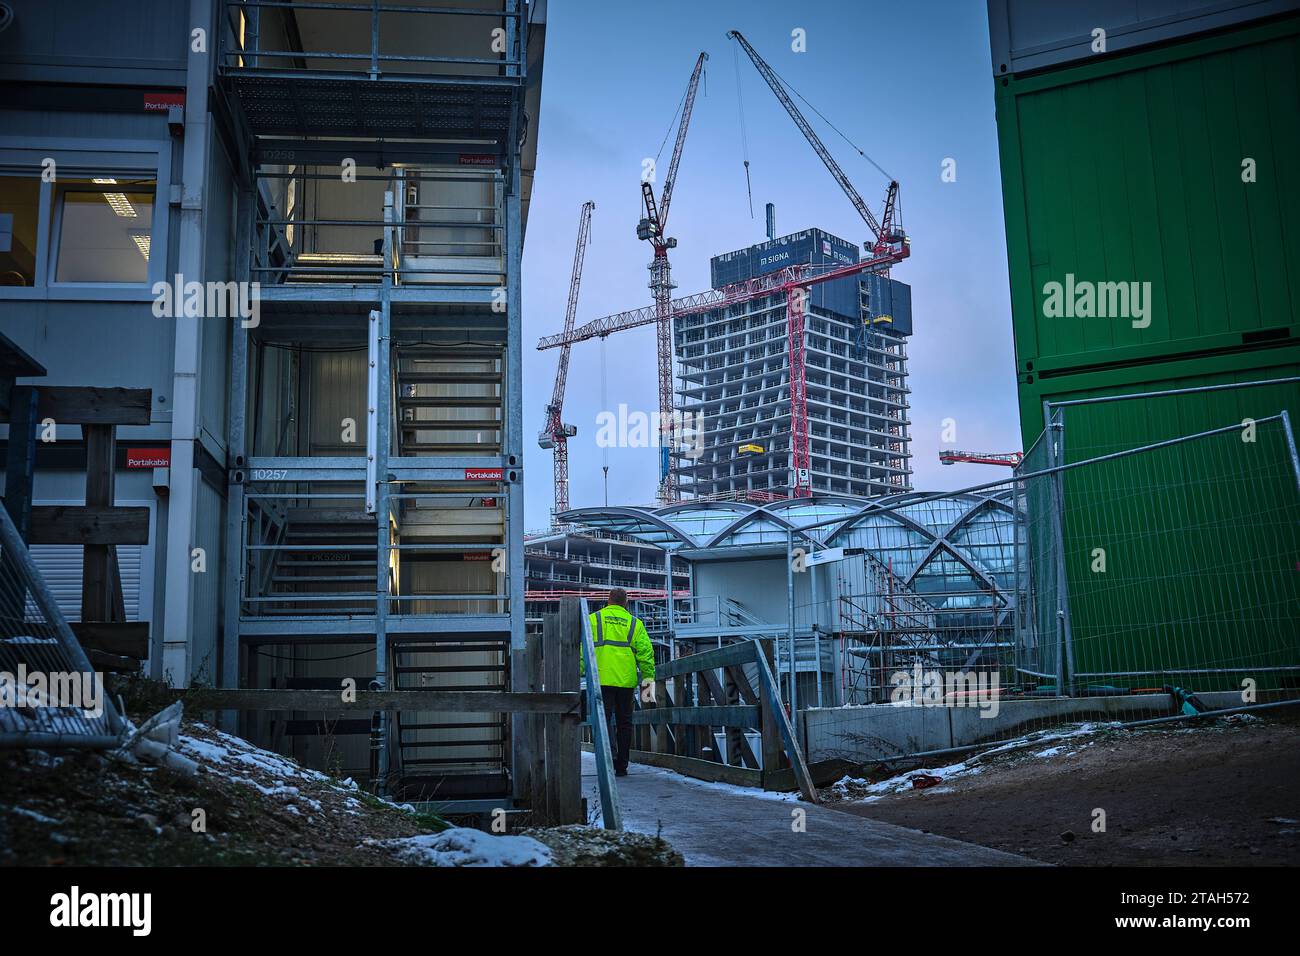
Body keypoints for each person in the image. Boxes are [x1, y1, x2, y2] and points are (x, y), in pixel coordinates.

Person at [582, 588, 655, 777]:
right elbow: (646, 655)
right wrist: (648, 682)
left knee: (603, 721)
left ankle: (609, 758)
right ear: (626, 602)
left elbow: (583, 649)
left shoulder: (593, 619)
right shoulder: (634, 623)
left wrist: (581, 671)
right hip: (625, 681)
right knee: (625, 723)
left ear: (608, 600)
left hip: (602, 679)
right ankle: (622, 765)